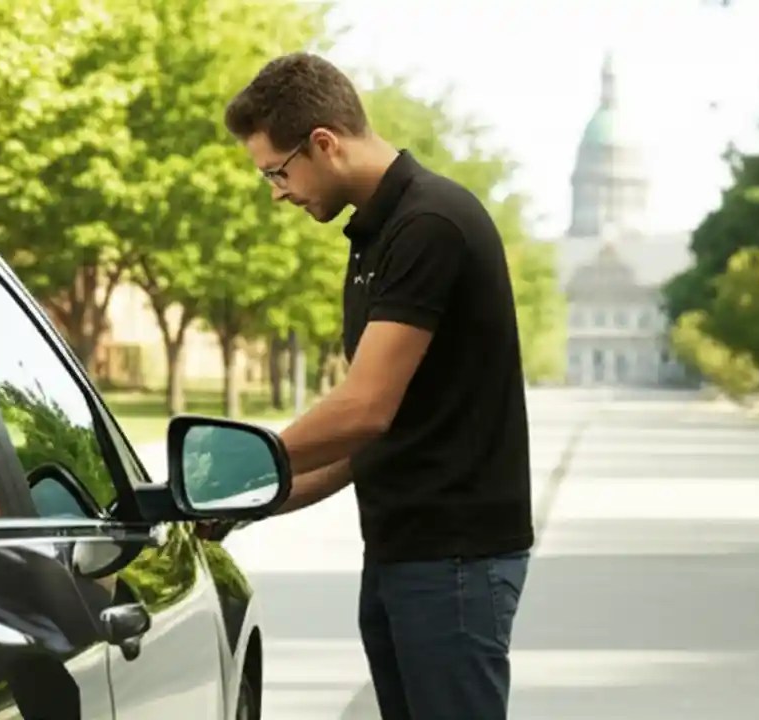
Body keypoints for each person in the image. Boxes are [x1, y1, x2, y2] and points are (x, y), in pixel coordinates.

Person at [223, 53, 534, 719]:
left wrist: (246, 468)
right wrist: (239, 503)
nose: (276, 192)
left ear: (324, 144)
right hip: (403, 552)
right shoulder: (376, 237)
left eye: (277, 172)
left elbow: (362, 409)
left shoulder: (430, 224)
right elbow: (366, 439)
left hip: (454, 559)